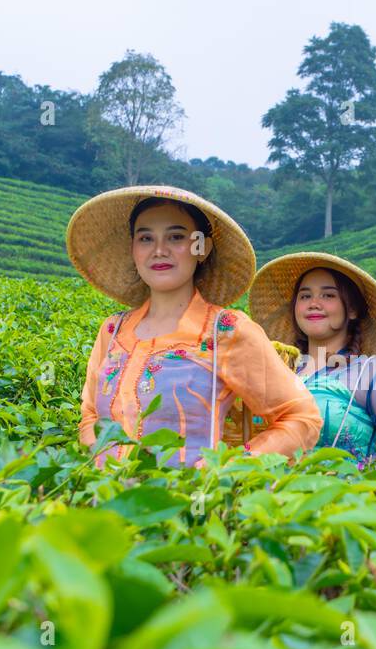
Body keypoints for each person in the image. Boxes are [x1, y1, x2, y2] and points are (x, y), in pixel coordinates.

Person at [66, 185, 322, 466]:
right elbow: (90, 416)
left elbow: (301, 418)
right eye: (146, 238)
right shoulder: (112, 331)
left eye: (176, 237)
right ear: (133, 250)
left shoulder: (225, 330)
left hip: (188, 503)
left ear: (202, 248)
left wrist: (226, 468)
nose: (159, 250)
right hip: (104, 502)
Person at [249, 251, 376, 465]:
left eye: (328, 295)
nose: (314, 303)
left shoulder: (373, 372)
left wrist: (360, 472)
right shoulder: (280, 371)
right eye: (305, 296)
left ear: (351, 309)